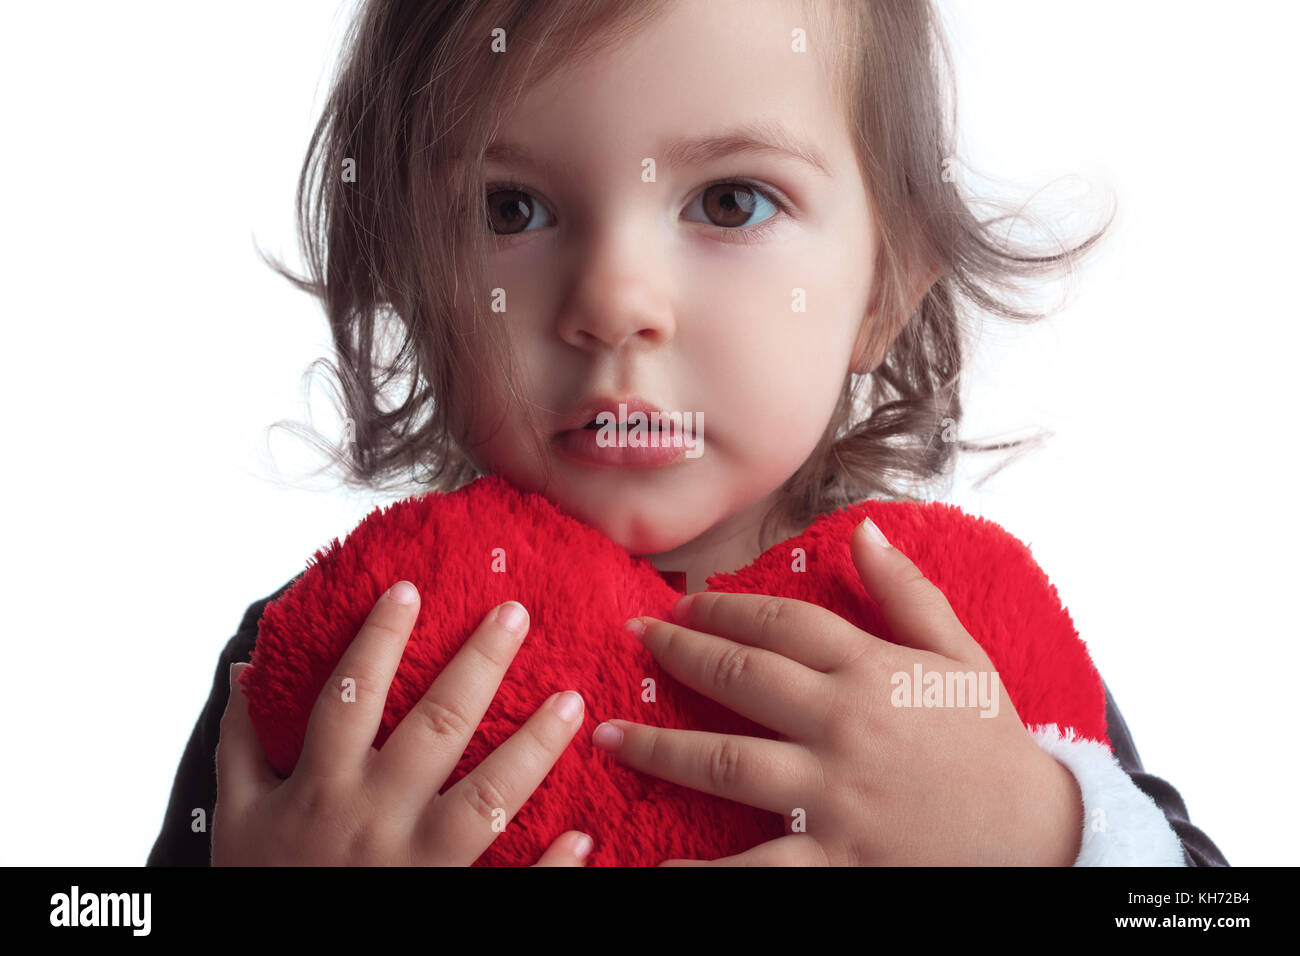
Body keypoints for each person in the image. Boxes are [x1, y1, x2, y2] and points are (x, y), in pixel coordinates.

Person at [149, 0, 1227, 866]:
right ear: (408, 278)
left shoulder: (943, 650)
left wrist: (1046, 833)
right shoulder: (337, 660)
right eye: (509, 209)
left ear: (884, 290)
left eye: (728, 203)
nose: (616, 300)